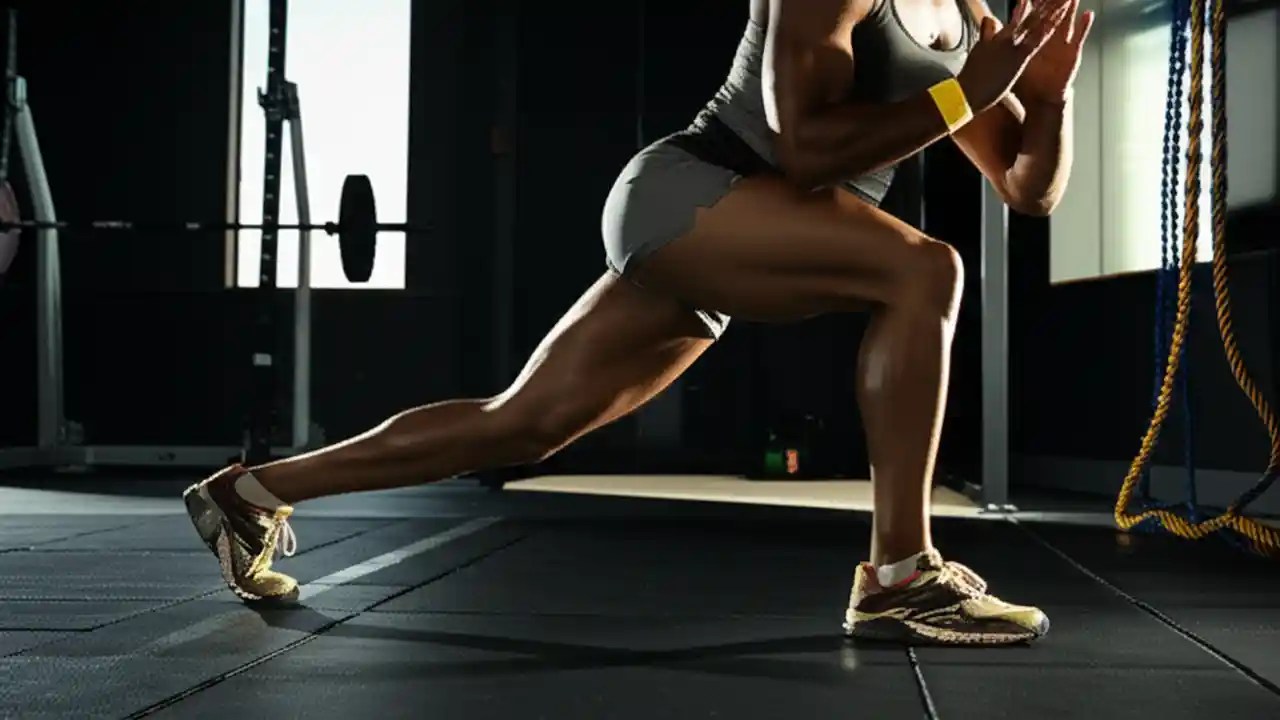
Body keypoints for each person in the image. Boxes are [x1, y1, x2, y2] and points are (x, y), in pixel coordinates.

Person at [184, 0, 1092, 645]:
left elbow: (1027, 188)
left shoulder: (969, 20)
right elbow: (808, 151)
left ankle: (252, 494)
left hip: (746, 234)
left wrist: (1049, 99)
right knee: (926, 268)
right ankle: (901, 574)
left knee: (523, 425)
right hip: (698, 191)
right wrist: (963, 94)